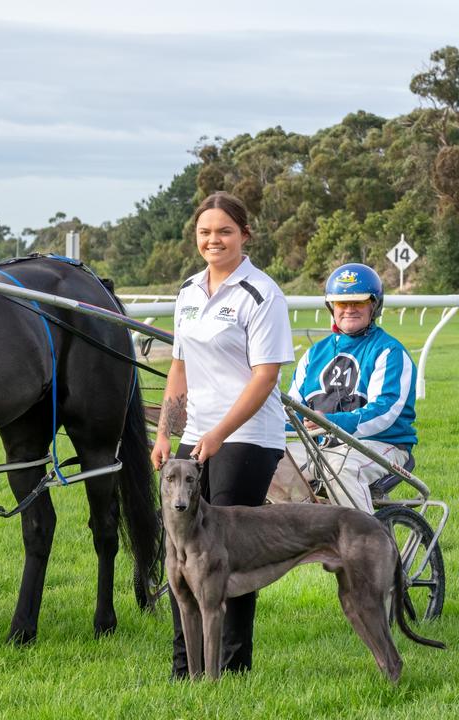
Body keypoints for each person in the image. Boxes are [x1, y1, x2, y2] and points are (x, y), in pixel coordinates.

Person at [150, 191, 294, 678]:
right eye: (205, 232)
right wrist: (169, 433)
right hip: (196, 436)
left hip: (249, 435)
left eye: (224, 231)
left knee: (224, 554)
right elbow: (178, 367)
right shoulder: (189, 291)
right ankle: (184, 668)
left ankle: (232, 668)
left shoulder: (261, 293)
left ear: (244, 235)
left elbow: (265, 376)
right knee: (181, 551)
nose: (214, 240)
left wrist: (218, 434)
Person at [285, 263, 416, 514]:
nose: (349, 310)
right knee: (271, 464)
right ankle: (305, 535)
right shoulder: (314, 355)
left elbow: (385, 412)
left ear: (374, 305)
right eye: (342, 303)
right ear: (331, 307)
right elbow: (291, 409)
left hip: (381, 445)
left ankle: (364, 547)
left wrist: (332, 422)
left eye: (358, 302)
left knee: (340, 467)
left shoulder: (389, 352)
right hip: (322, 446)